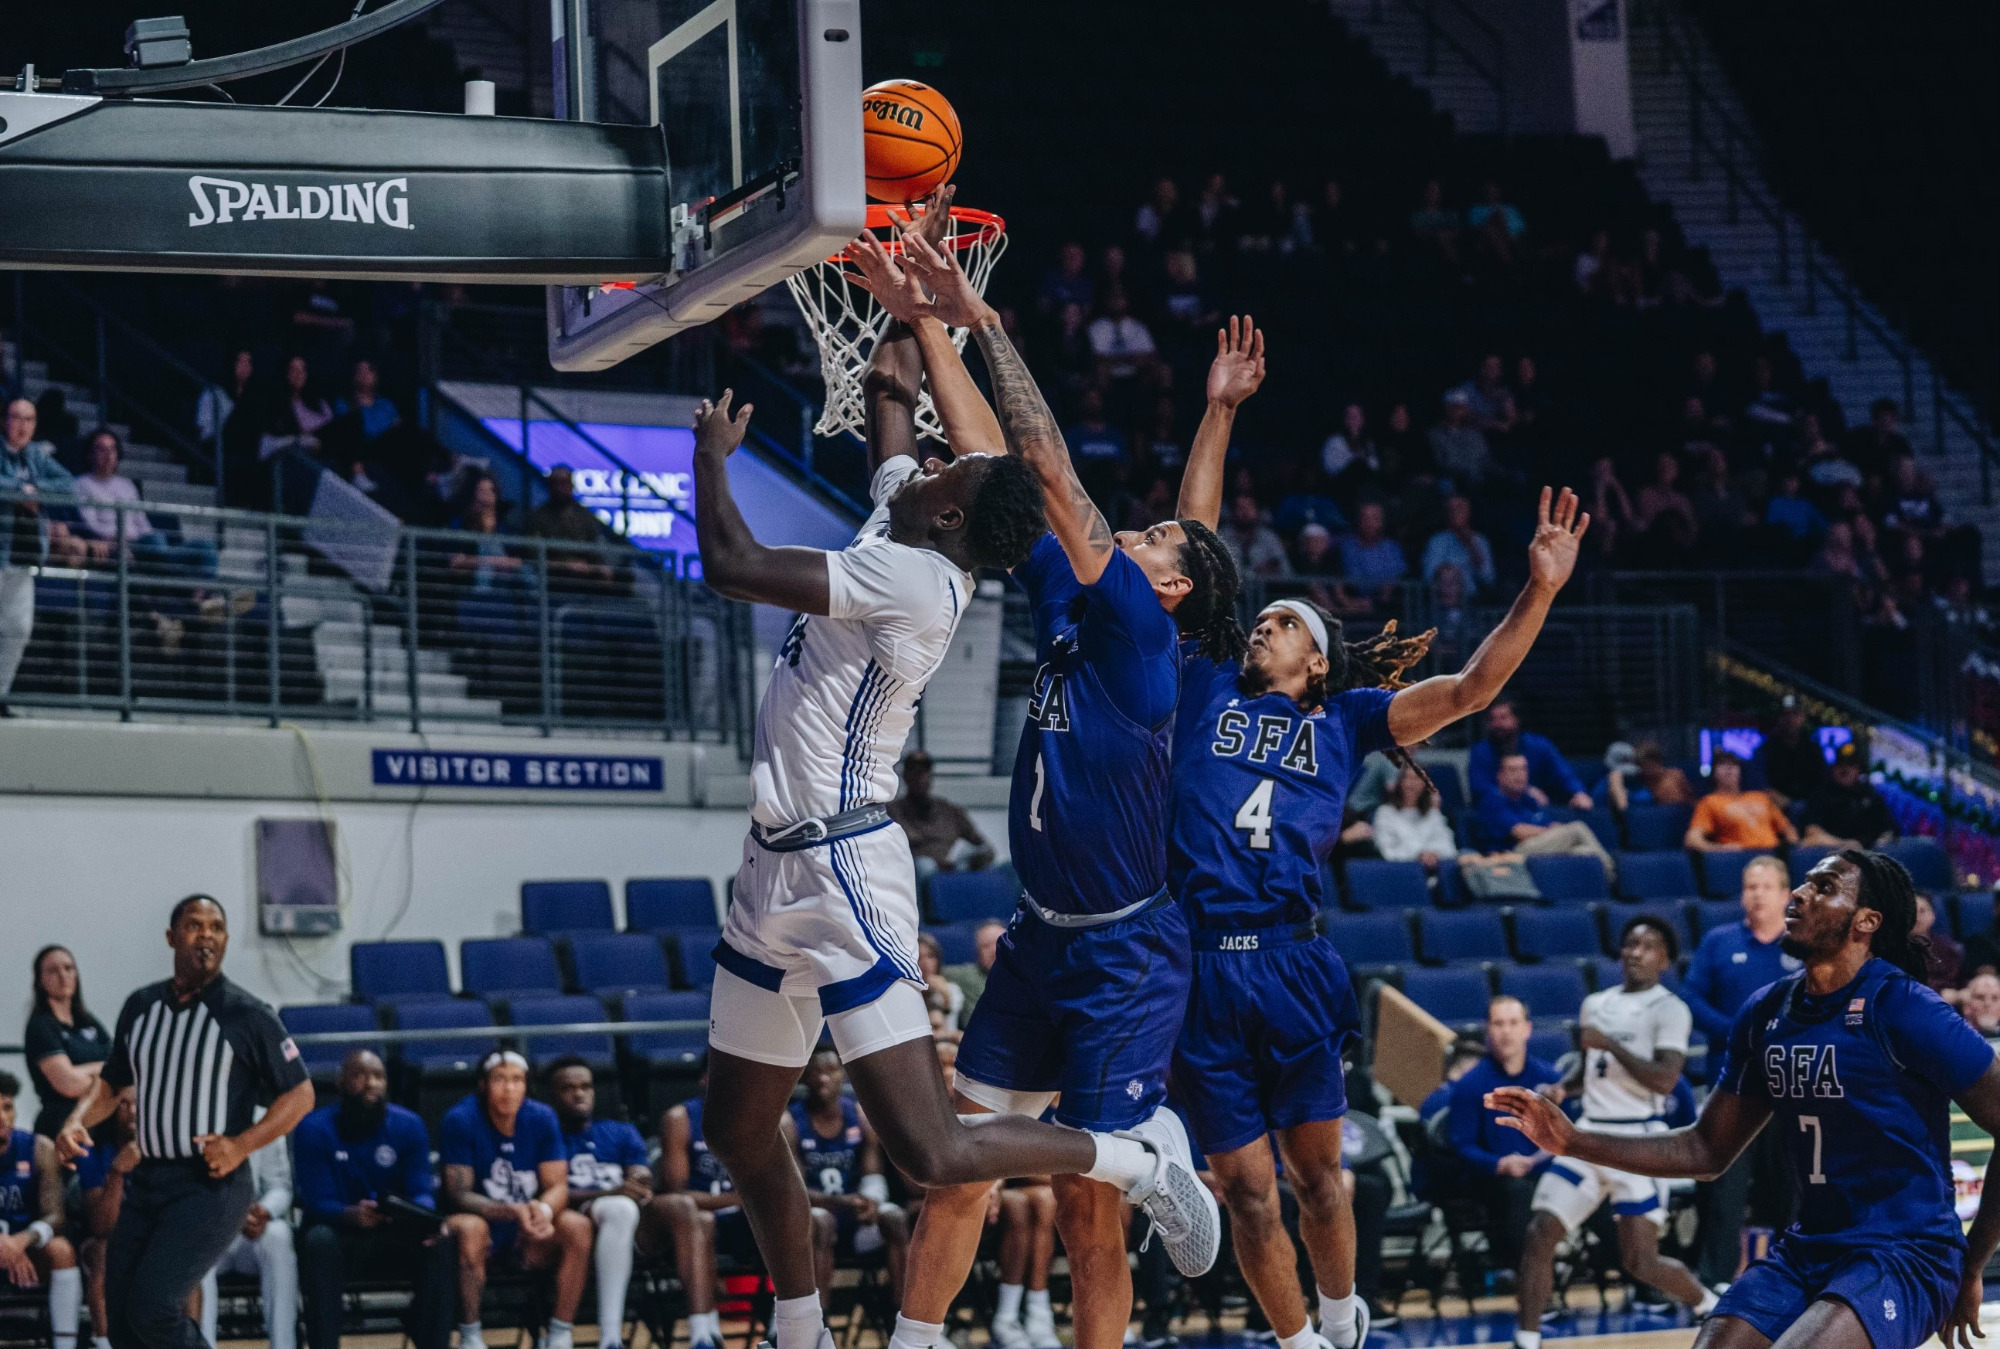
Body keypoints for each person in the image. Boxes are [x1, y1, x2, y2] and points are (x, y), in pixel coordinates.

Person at [684, 205, 1217, 1349]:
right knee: (846, 1146)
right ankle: (818, 1330)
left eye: (1161, 539)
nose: (1136, 533)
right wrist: (916, 324)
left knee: (1019, 1186)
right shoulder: (1009, 561)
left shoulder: (1122, 623)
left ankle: (1141, 1157)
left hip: (1086, 929)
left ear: (1170, 588)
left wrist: (975, 319)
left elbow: (1041, 472)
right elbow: (980, 466)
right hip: (1019, 920)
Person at [1162, 319, 1589, 1349]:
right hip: (1198, 970)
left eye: (1283, 622)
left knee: (1319, 1175)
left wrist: (1537, 584)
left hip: (1293, 958)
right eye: (1257, 616)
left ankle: (1346, 1322)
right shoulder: (1201, 672)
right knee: (1247, 1192)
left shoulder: (1349, 720)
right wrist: (1218, 407)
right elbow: (1196, 537)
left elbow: (1475, 684)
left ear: (1315, 661)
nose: (1260, 621)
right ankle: (1298, 1342)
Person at [1491, 851, 2000, 1349]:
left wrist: (1972, 1262)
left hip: (1905, 1252)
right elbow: (1705, 1151)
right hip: (1811, 1247)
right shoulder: (1767, 1012)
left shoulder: (1904, 1006)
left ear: (1866, 921)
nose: (1800, 893)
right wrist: (1570, 1139)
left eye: (1823, 888)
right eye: (1805, 882)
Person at [55, 896, 315, 1349]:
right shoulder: (140, 1007)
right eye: (194, 926)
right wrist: (77, 1120)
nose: (207, 935)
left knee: (152, 1310)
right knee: (120, 1319)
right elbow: (112, 1083)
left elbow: (302, 1094)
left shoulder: (248, 1014)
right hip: (148, 1181)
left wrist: (241, 1145)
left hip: (209, 1186)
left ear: (227, 940)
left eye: (216, 927)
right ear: (171, 937)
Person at [1506, 917, 1717, 1347]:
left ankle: (1705, 1302)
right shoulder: (1596, 1003)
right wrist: (1562, 1088)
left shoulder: (1670, 1009)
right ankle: (1526, 1339)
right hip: (1585, 1136)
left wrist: (1612, 1044)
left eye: (1647, 945)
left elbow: (1664, 1079)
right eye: (1629, 943)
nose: (1635, 952)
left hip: (1639, 1141)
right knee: (1540, 1232)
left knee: (1641, 1261)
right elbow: (1592, 1071)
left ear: (1664, 959)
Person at [1678, 857, 1801, 1286]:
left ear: (1786, 894)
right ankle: (1714, 1281)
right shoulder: (1718, 941)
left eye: (1766, 886)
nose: (1757, 894)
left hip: (1787, 1085)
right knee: (1724, 1184)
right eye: (1750, 886)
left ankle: (1793, 1273)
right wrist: (1734, 1032)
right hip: (1730, 1084)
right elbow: (1690, 998)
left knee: (1789, 1185)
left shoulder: (1800, 944)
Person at [292, 1050, 455, 1349]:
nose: (371, 1083)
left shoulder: (409, 1125)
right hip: (340, 1232)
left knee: (440, 1243)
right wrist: (350, 1214)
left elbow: (421, 1189)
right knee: (318, 1241)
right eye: (360, 1075)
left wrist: (423, 1218)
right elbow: (316, 1200)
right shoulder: (313, 1128)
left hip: (394, 1230)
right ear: (340, 1084)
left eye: (378, 1076)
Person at [440, 1051, 590, 1349]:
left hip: (528, 1228)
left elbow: (558, 1184)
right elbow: (458, 1193)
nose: (509, 1089)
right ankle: (470, 1335)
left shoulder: (542, 1117)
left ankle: (560, 1334)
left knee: (577, 1225)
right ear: (483, 1084)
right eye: (500, 1079)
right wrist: (508, 1211)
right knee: (471, 1229)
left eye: (517, 1080)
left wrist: (543, 1211)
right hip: (482, 1221)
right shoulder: (460, 1119)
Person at [542, 1058, 652, 1349]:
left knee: (624, 1208)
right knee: (619, 1207)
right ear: (552, 1095)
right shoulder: (545, 1137)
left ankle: (612, 1339)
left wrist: (640, 1178)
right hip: (567, 1222)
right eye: (569, 1088)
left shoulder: (620, 1131)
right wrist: (609, 1192)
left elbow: (640, 1171)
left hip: (624, 1223)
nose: (579, 1094)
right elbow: (546, 1192)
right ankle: (611, 1338)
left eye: (586, 1087)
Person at [1447, 998, 1564, 1271]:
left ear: (1528, 1029)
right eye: (1498, 1024)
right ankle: (1533, 1279)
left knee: (1591, 1184)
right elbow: (1461, 1145)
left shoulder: (1550, 1078)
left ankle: (1635, 1278)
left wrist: (1541, 1161)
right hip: (1493, 1179)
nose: (1506, 1031)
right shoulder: (1469, 1085)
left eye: (1513, 1023)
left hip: (1545, 1171)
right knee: (1518, 1192)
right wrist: (1499, 1164)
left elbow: (1567, 1135)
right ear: (1488, 1030)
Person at [786, 1050, 910, 1301]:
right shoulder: (789, 1122)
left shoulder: (860, 1116)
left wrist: (871, 1201)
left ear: (843, 1074)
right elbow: (794, 1192)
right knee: (822, 1222)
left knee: (896, 1218)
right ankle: (818, 1324)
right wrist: (842, 1203)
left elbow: (873, 1174)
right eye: (816, 1072)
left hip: (855, 1220)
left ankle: (906, 1319)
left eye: (830, 1070)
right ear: (804, 1078)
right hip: (812, 1220)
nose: (823, 1079)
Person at [1, 397, 81, 707]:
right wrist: (20, 492)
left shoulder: (36, 456)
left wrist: (33, 489)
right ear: (4, 420)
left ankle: (1, 694)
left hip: (24, 555)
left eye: (29, 420)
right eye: (16, 418)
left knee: (19, 629)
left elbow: (68, 485)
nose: (21, 426)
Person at [657, 1067, 740, 1349]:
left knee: (785, 1217)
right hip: (694, 1221)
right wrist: (739, 1200)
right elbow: (677, 1192)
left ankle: (785, 1324)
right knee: (700, 1220)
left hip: (742, 1222)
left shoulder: (757, 1115)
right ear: (704, 1079)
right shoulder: (681, 1118)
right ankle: (704, 1332)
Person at [0, 1072, 81, 1349]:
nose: (1, 1116)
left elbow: (55, 1215)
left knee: (62, 1250)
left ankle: (65, 1345)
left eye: (7, 1107)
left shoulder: (38, 1147)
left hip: (27, 1246)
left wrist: (20, 1242)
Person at [196, 1135, 297, 1349]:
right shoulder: (200, 1119)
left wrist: (265, 1211)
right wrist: (230, 1215)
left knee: (279, 1236)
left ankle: (283, 1345)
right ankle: (203, 1345)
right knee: (194, 1246)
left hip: (251, 1230)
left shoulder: (265, 1121)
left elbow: (280, 1186)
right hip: (209, 1228)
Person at [1474, 754, 1617, 878]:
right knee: (1577, 828)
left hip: (1541, 846)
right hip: (1512, 852)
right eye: (1513, 770)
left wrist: (1554, 829)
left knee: (1586, 852)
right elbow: (1518, 832)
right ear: (1500, 775)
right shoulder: (1492, 800)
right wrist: (1554, 831)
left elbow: (1545, 824)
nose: (1519, 774)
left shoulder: (1529, 800)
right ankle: (1613, 874)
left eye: (1523, 769)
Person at [24, 945, 110, 1141]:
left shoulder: (88, 1021)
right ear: (40, 980)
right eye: (53, 971)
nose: (63, 976)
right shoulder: (41, 1025)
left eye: (68, 968)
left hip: (104, 1121)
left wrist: (88, 1073)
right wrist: (103, 1073)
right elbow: (68, 1084)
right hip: (62, 1123)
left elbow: (121, 1067)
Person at [77, 1092, 139, 1349]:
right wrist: (117, 1172)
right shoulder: (91, 1150)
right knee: (103, 1251)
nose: (133, 1111)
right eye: (124, 1103)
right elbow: (102, 1226)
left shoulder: (166, 1150)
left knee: (184, 1250)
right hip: (98, 1238)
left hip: (151, 1233)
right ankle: (104, 1343)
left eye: (140, 1102)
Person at [885, 750, 995, 881]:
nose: (920, 777)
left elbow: (985, 847)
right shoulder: (893, 810)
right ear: (905, 776)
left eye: (924, 772)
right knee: (924, 866)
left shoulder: (949, 810)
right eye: (914, 771)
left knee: (1007, 870)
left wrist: (975, 860)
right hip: (917, 870)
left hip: (954, 867)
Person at [1466, 697, 1591, 807]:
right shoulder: (1480, 752)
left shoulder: (1539, 745)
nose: (1497, 724)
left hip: (1541, 809)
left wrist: (1578, 793)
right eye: (1492, 719)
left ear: (1516, 719)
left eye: (1503, 718)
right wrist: (1525, 792)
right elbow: (1480, 789)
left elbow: (1564, 775)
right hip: (1502, 810)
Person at [1686, 752, 1799, 852]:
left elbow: (1788, 830)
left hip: (1772, 854)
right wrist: (1719, 849)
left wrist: (1795, 846)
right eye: (1722, 764)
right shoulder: (1709, 802)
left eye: (1734, 764)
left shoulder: (1760, 797)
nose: (1729, 768)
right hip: (1739, 857)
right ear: (1714, 773)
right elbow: (1692, 839)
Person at [1801, 743, 1897, 848]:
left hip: (1868, 855)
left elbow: (1888, 829)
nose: (1844, 769)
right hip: (1832, 853)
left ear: (1859, 769)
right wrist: (1845, 845)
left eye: (1850, 765)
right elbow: (1812, 832)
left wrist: (1880, 843)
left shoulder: (1869, 794)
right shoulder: (1821, 795)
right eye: (1840, 764)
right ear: (1833, 767)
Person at [1371, 762, 1458, 869]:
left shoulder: (1433, 813)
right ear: (1400, 782)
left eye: (1416, 779)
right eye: (1406, 778)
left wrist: (1434, 853)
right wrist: (1418, 855)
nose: (1410, 784)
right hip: (1402, 871)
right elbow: (1385, 850)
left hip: (1436, 870)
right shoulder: (1385, 813)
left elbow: (1448, 846)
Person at [1421, 495, 1496, 590]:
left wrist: (1470, 545)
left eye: (1459, 508)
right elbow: (1428, 575)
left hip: (1473, 598)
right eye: (1451, 509)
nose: (1455, 513)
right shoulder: (1437, 540)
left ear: (1468, 511)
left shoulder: (1481, 540)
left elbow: (1488, 578)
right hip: (1442, 598)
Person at [1761, 698, 1825, 807]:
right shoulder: (1766, 749)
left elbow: (1823, 781)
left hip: (1809, 806)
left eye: (1795, 714)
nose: (1790, 719)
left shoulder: (1813, 749)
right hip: (1775, 807)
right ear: (1779, 718)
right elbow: (1757, 781)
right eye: (1785, 715)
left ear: (1803, 718)